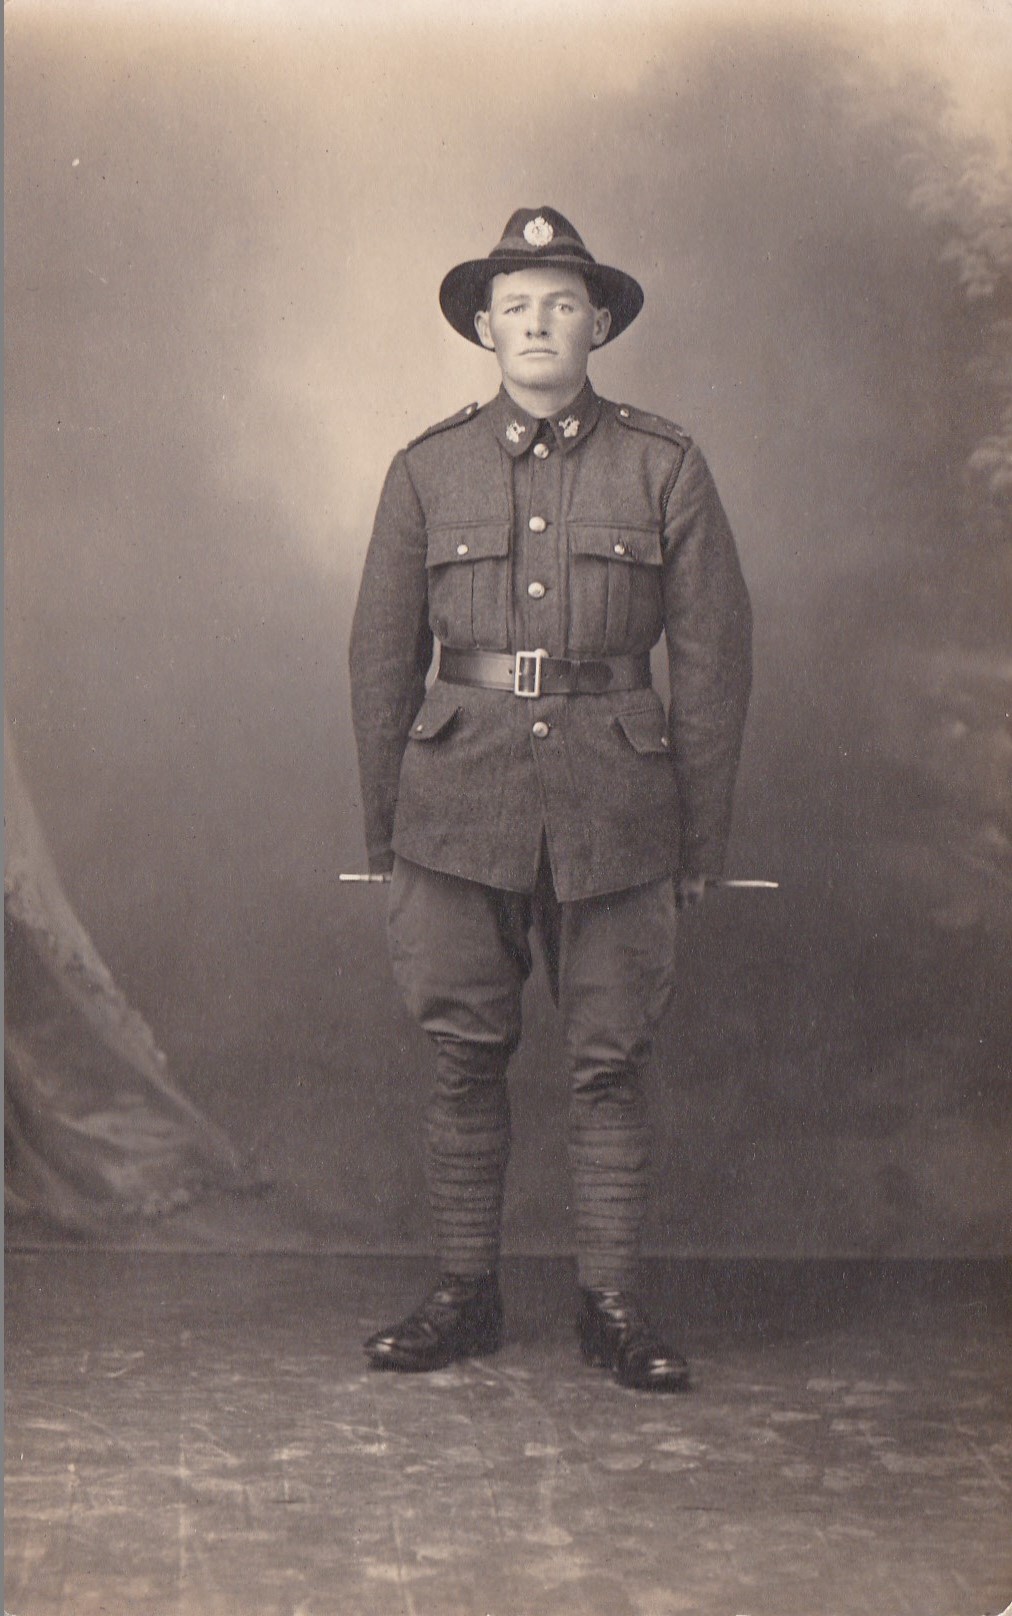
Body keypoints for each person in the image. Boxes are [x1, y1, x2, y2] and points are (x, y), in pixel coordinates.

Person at [349, 206, 752, 1390]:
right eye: (515, 304)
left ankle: (612, 1305)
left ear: (600, 323)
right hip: (452, 804)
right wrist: (385, 837)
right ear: (483, 326)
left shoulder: (661, 463)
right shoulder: (425, 468)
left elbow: (715, 658)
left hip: (619, 806)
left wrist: (697, 838)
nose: (537, 323)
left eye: (561, 303)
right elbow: (380, 656)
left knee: (609, 1059)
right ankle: (465, 1294)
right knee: (462, 1054)